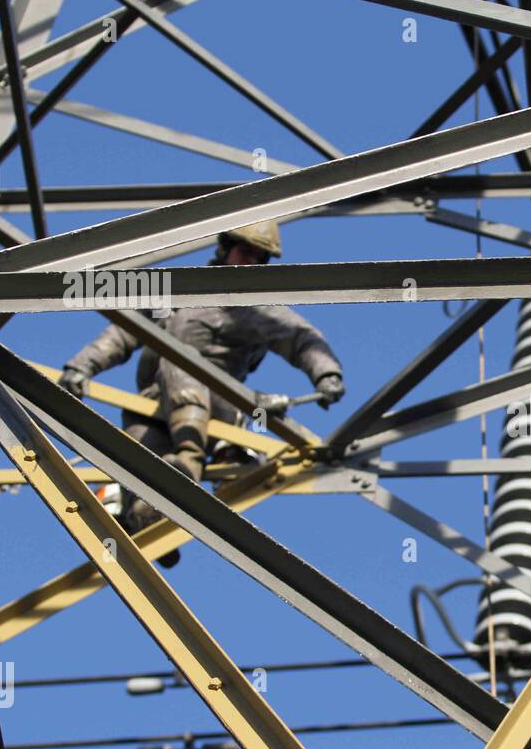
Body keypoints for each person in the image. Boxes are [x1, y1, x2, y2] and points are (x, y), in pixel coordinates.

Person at [58, 222, 345, 563]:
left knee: (184, 363)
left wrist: (326, 373)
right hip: (154, 405)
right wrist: (81, 367)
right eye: (245, 252)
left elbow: (301, 338)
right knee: (137, 457)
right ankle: (143, 518)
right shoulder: (177, 292)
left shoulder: (255, 308)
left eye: (259, 257)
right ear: (225, 248)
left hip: (218, 408)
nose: (250, 262)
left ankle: (185, 473)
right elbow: (122, 335)